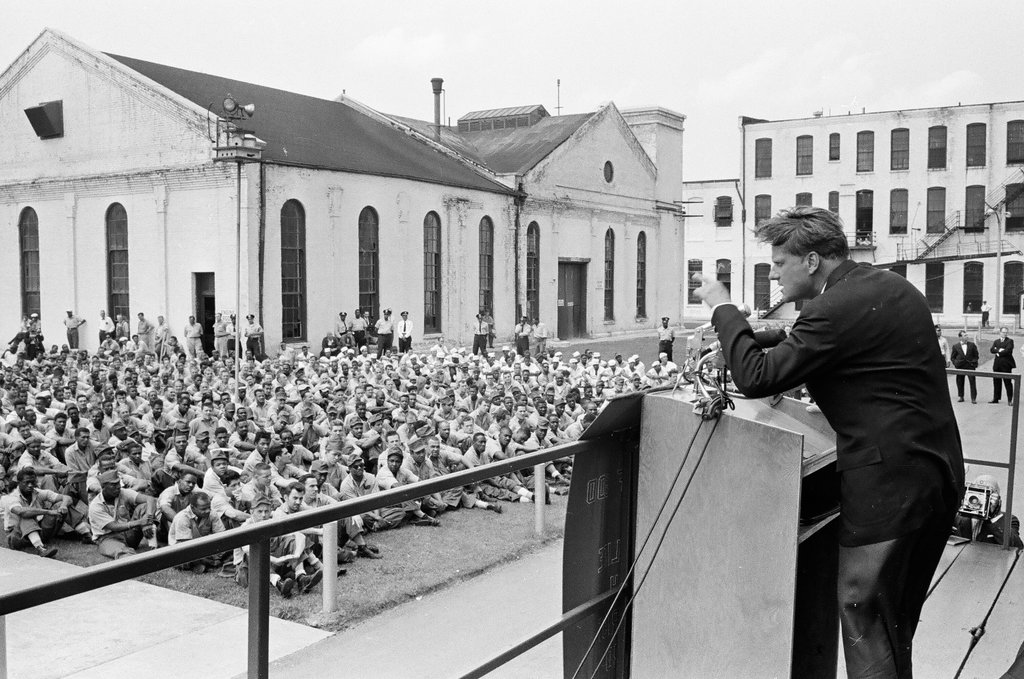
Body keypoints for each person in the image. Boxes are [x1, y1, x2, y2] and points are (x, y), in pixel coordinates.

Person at [693, 206, 964, 678]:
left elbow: (758, 376)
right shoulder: (885, 286)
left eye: (780, 264)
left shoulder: (832, 308)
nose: (775, 274)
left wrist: (723, 308)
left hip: (887, 487)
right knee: (894, 623)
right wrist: (769, 334)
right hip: (935, 475)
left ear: (813, 261)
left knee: (863, 616)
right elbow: (829, 338)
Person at [951, 474, 1021, 549]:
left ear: (996, 498)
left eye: (986, 493)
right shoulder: (958, 516)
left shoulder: (1009, 520)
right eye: (977, 492)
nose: (978, 499)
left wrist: (994, 517)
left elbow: (1017, 547)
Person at [950, 330, 979, 403]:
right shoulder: (955, 346)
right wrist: (956, 363)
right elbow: (952, 357)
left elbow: (976, 355)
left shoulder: (972, 345)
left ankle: (973, 398)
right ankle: (961, 396)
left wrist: (974, 362)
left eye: (967, 335)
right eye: (965, 335)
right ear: (960, 337)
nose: (967, 337)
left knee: (972, 381)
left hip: (970, 366)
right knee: (960, 381)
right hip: (960, 366)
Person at [990, 326, 1015, 405]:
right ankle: (996, 398)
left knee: (1007, 382)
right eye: (1003, 332)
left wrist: (998, 352)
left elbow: (1008, 351)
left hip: (1006, 365)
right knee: (996, 382)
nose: (1005, 334)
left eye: (1006, 332)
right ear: (1000, 333)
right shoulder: (996, 341)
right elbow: (992, 350)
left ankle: (1010, 400)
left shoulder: (1010, 341)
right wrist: (999, 350)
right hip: (997, 365)